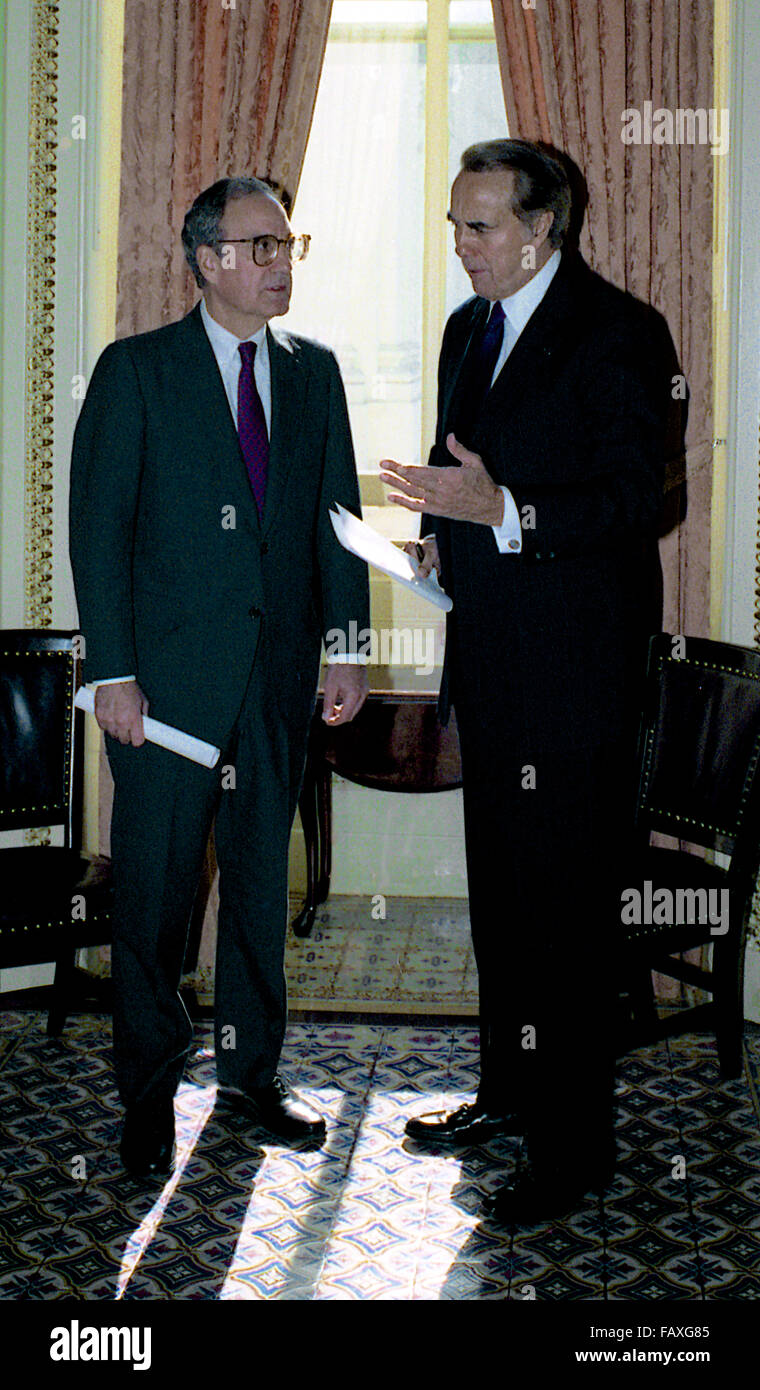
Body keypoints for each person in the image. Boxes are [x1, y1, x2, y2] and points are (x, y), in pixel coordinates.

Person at [380, 140, 674, 1225]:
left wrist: (507, 515)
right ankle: (507, 1093)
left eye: (481, 226)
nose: (461, 246)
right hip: (492, 673)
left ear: (543, 227)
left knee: (564, 925)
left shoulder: (620, 331)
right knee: (504, 910)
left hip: (574, 684)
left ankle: (574, 1151)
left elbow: (636, 501)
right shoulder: (472, 325)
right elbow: (464, 464)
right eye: (455, 224)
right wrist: (433, 543)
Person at [70, 176, 369, 1178]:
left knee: (252, 895)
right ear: (206, 261)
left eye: (290, 244)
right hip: (161, 697)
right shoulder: (137, 372)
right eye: (263, 246)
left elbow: (336, 522)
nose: (283, 262)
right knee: (154, 901)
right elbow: (99, 532)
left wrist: (350, 644)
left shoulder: (316, 375)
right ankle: (148, 1097)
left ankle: (250, 1080)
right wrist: (112, 671)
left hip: (276, 686)